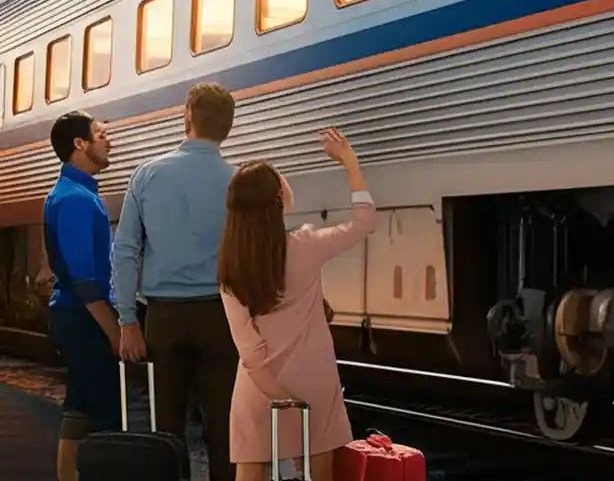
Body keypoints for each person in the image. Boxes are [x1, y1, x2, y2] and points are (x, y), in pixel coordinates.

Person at [218, 128, 375, 481]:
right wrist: (349, 162)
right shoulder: (306, 245)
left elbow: (249, 347)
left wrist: (279, 396)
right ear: (277, 198)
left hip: (259, 385)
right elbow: (365, 221)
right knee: (319, 464)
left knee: (252, 464)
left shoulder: (231, 265)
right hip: (313, 379)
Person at [110, 82, 238, 481]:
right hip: (222, 317)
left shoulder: (148, 175)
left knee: (167, 428)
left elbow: (125, 250)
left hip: (163, 318)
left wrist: (127, 319)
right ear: (228, 127)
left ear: (187, 117)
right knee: (224, 428)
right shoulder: (238, 181)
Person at [43, 111, 117, 481]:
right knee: (105, 413)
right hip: (82, 318)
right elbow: (83, 279)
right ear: (79, 144)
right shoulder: (74, 199)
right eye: (101, 134)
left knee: (81, 405)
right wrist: (115, 331)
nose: (109, 140)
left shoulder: (79, 193)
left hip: (78, 317)